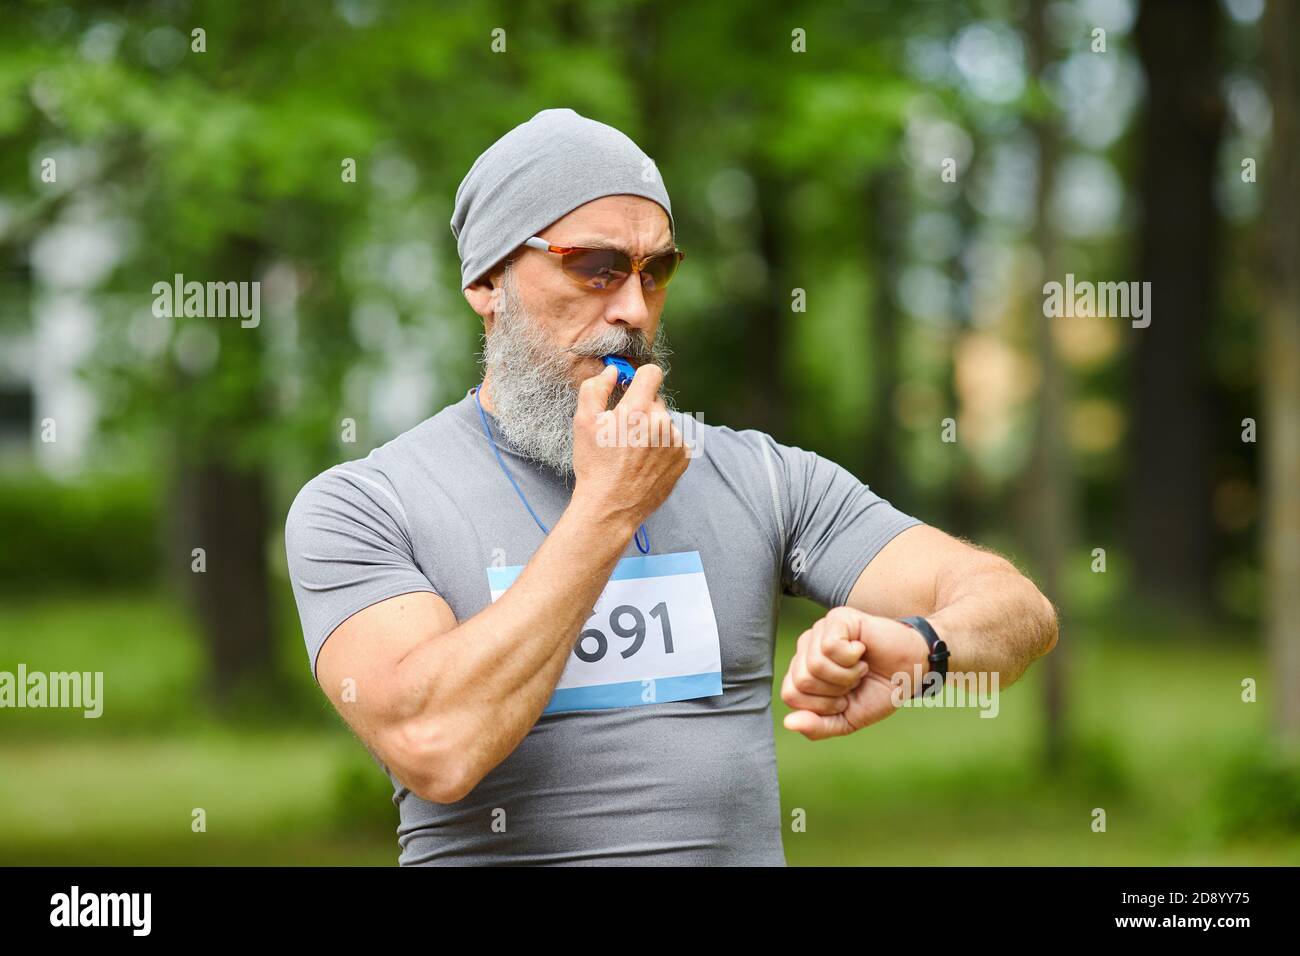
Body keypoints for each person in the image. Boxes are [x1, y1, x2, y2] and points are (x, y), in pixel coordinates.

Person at [284, 107, 1058, 866]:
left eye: (656, 272)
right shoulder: (364, 505)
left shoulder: (757, 475)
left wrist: (925, 647)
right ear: (489, 281)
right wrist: (607, 510)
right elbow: (434, 746)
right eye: (596, 268)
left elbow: (1018, 613)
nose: (632, 309)